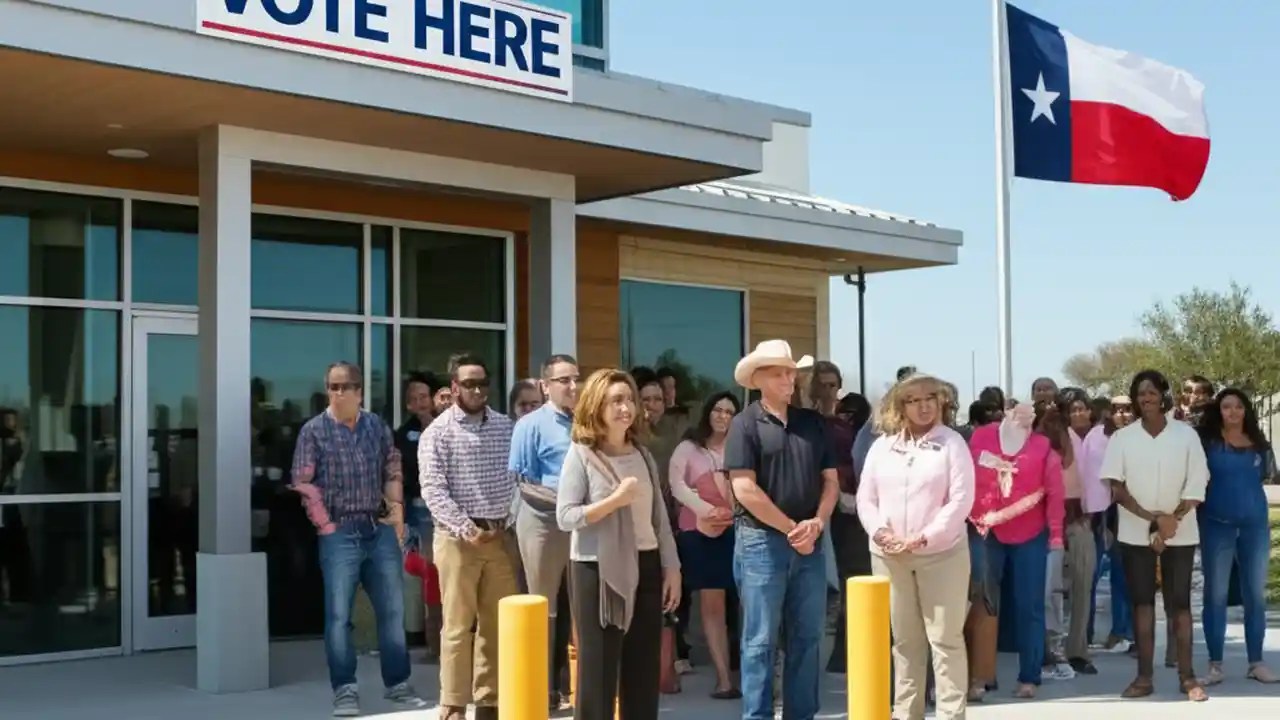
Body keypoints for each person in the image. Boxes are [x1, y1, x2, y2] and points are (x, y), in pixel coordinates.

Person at [290, 362, 427, 716]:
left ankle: (397, 685)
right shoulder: (314, 431)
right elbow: (304, 482)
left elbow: (392, 465)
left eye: (345, 386)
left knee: (392, 612)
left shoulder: (376, 426)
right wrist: (325, 525)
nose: (338, 393)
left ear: (360, 391)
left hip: (378, 529)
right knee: (339, 616)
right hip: (339, 534)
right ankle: (345, 689)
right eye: (332, 387)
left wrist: (395, 510)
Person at [556, 368, 682, 720]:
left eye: (629, 399)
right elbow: (565, 516)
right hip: (597, 570)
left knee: (642, 675)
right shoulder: (581, 454)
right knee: (598, 677)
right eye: (616, 401)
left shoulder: (642, 455)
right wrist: (615, 500)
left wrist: (672, 566)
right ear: (596, 407)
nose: (626, 407)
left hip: (646, 565)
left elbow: (660, 520)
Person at [726, 340, 836, 720]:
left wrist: (817, 522)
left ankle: (801, 715)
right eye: (780, 372)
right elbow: (742, 488)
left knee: (808, 637)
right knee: (759, 641)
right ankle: (755, 716)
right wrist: (794, 529)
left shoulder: (812, 423)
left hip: (810, 541)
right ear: (758, 379)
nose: (790, 378)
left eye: (791, 371)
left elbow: (831, 482)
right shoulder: (743, 424)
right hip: (760, 542)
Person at [858, 373, 974, 719]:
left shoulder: (953, 443)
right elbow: (866, 498)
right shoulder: (882, 446)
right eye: (914, 400)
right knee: (905, 643)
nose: (924, 406)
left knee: (945, 640)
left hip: (942, 556)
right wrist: (881, 533)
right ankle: (906, 713)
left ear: (942, 403)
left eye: (931, 398)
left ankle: (951, 714)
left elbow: (960, 501)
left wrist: (925, 536)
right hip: (890, 557)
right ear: (900, 406)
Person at [1100, 370, 1209, 702]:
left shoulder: (1186, 435)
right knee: (1142, 604)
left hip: (1181, 528)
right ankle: (1144, 677)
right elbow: (1117, 488)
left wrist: (1172, 520)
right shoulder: (1122, 438)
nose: (1146, 398)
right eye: (1140, 393)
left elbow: (1198, 481)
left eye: (1151, 392)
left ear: (1163, 395)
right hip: (1136, 532)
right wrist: (1154, 521)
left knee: (1180, 605)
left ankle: (1188, 678)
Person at [420, 354, 518, 720]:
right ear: (454, 388)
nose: (477, 390)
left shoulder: (506, 427)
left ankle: (489, 700)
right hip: (457, 539)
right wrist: (465, 528)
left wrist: (506, 520)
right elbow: (433, 490)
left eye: (483, 383)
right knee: (458, 625)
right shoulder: (438, 433)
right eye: (469, 384)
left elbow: (517, 477)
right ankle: (454, 703)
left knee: (495, 623)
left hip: (499, 535)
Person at [510, 354, 580, 710]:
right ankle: (539, 690)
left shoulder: (587, 423)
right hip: (542, 522)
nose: (571, 386)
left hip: (584, 525)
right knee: (543, 608)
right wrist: (566, 505)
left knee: (580, 606)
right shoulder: (530, 424)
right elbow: (523, 482)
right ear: (545, 385)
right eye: (563, 380)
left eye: (575, 379)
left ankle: (573, 688)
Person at [1196, 388, 1278, 684]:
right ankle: (1215, 665)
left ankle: (1256, 662)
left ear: (1246, 411)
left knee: (1255, 595)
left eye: (1238, 407)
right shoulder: (1208, 443)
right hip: (1217, 526)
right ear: (1219, 410)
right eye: (1226, 406)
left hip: (1254, 526)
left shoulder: (1259, 445)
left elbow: (1265, 478)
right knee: (1215, 594)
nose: (1232, 412)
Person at [668, 391, 741, 698]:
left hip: (736, 530)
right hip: (698, 532)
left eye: (730, 412)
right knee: (712, 605)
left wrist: (734, 511)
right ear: (708, 413)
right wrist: (705, 510)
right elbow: (676, 485)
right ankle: (724, 679)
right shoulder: (688, 447)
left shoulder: (741, 446)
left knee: (741, 604)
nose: (723, 416)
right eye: (718, 410)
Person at [825, 392, 873, 675]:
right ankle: (844, 654)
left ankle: (853, 653)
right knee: (844, 590)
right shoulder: (833, 431)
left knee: (857, 589)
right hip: (836, 519)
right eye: (844, 412)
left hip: (860, 522)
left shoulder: (868, 437)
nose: (846, 417)